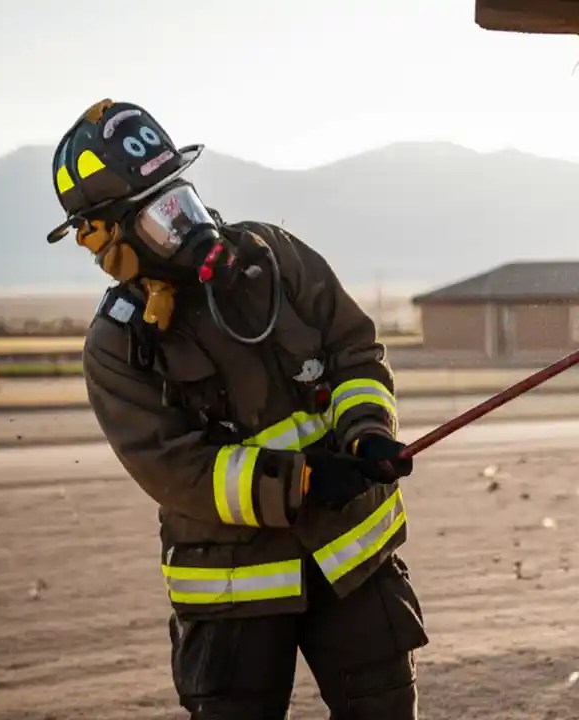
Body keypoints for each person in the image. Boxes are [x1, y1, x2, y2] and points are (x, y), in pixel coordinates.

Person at [45, 99, 427, 719]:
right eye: (162, 217)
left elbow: (355, 353)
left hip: (353, 565)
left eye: (182, 201)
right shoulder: (119, 345)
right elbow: (175, 468)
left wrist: (367, 433)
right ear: (106, 240)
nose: (188, 226)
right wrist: (300, 483)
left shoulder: (273, 257)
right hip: (233, 590)